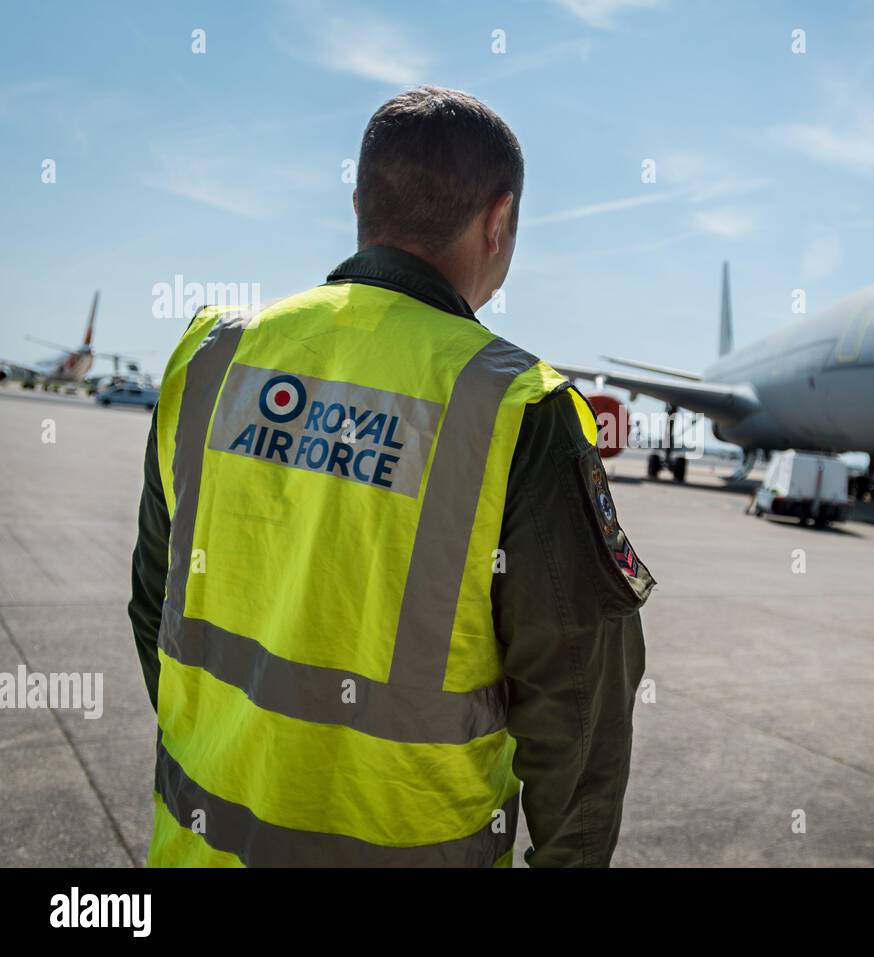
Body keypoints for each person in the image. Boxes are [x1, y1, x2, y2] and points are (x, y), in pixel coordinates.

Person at [127, 86, 654, 867]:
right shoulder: (520, 407)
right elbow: (578, 712)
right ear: (499, 220)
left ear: (359, 203)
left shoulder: (212, 356)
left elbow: (152, 604)